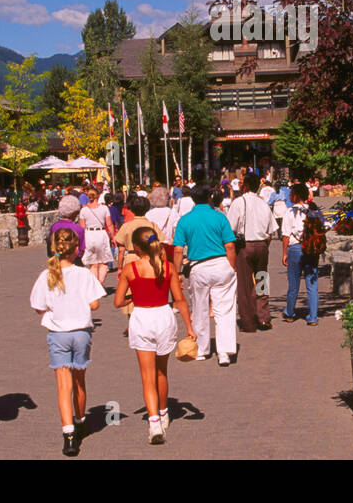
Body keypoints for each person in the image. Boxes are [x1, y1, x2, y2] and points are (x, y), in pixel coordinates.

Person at [30, 228, 107, 457]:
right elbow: (95, 305)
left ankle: (69, 433)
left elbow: (38, 306)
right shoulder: (83, 275)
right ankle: (80, 419)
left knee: (63, 385)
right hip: (81, 332)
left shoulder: (47, 275)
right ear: (76, 251)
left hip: (58, 333)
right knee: (79, 380)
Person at [114, 225, 194, 444]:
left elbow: (117, 301)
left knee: (147, 375)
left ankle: (154, 423)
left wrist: (131, 299)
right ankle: (163, 412)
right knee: (162, 372)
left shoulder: (131, 269)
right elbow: (179, 300)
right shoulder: (168, 268)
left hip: (142, 317)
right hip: (163, 317)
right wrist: (189, 327)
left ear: (137, 249)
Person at [172, 183, 238, 366]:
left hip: (198, 266)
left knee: (199, 308)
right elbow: (230, 245)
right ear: (209, 197)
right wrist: (232, 266)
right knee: (224, 309)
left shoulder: (185, 220)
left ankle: (201, 349)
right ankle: (224, 351)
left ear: (192, 199)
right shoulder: (219, 217)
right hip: (221, 263)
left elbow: (178, 250)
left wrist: (177, 272)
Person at [228, 172, 274, 333]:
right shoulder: (264, 204)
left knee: (245, 285)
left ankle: (248, 322)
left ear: (245, 186)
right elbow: (272, 230)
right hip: (262, 245)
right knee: (262, 280)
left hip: (245, 246)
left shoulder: (238, 203)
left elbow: (230, 227)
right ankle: (264, 316)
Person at [281, 182, 320, 325]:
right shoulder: (314, 210)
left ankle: (290, 313)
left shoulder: (290, 212)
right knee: (312, 284)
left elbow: (285, 235)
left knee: (293, 283)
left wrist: (284, 253)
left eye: (291, 193)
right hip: (311, 249)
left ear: (296, 195)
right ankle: (313, 317)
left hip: (295, 249)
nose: (289, 196)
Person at [78, 192, 113, 286]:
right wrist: (113, 237)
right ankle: (101, 281)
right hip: (101, 234)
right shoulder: (104, 208)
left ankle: (96, 284)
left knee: (93, 263)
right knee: (104, 261)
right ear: (98, 196)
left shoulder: (84, 210)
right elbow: (109, 224)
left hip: (89, 234)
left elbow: (82, 227)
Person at [51, 194, 88, 262]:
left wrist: (57, 255)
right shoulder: (78, 229)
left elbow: (51, 245)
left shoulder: (54, 227)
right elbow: (81, 249)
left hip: (58, 258)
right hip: (74, 260)